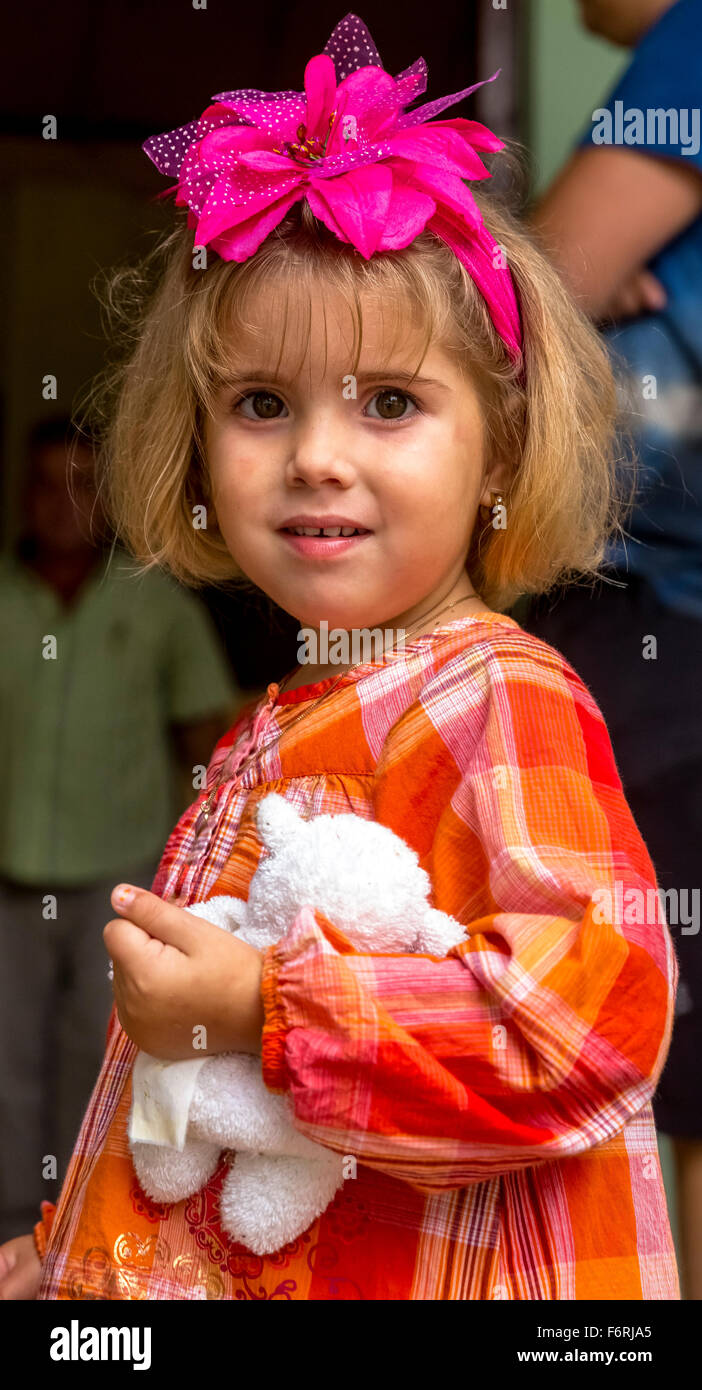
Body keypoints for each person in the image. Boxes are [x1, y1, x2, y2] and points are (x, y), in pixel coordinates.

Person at [0, 14, 680, 1301]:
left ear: (502, 439)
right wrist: (72, 1255)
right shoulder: (284, 719)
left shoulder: (503, 697)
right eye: (263, 403)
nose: (318, 454)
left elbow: (598, 1026)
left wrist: (264, 1004)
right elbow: (193, 1104)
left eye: (390, 402)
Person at [526, 0, 702, 1299]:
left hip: (652, 614)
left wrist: (551, 267)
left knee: (590, 1027)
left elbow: (530, 298)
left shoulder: (694, 32)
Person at [0, 417, 241, 1243]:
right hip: (10, 874)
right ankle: (10, 1239)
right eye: (44, 483)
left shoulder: (154, 600)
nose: (60, 504)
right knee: (6, 1063)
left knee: (100, 1059)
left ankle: (71, 1230)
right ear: (23, 496)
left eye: (79, 484)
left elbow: (206, 732)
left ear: (104, 499)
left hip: (122, 877)